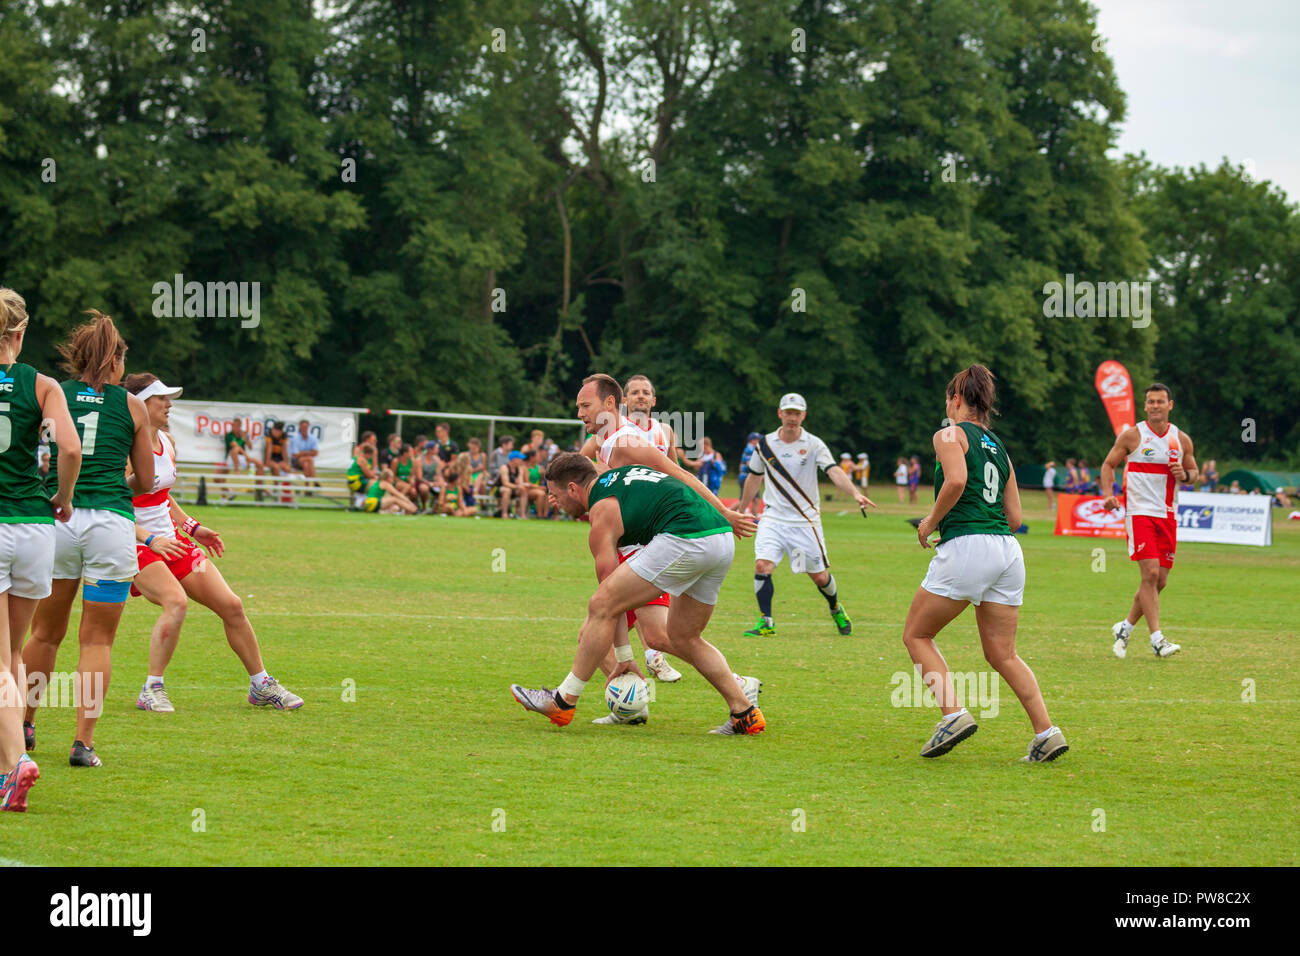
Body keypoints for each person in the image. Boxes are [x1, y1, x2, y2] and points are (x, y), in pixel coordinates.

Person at [511, 453, 765, 735]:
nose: (550, 501)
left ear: (573, 488)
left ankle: (563, 700)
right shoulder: (620, 477)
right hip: (720, 537)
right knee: (684, 637)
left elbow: (607, 600)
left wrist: (623, 657)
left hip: (686, 537)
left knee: (600, 605)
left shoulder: (601, 511)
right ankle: (744, 712)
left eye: (553, 493)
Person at [905, 364, 1066, 762]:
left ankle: (953, 714)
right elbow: (1014, 518)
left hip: (970, 550)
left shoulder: (948, 434)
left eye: (948, 399)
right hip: (1007, 552)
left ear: (956, 400)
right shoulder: (999, 446)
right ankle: (1047, 733)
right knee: (1003, 653)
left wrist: (931, 521)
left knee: (916, 636)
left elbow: (956, 481)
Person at [124, 372, 305, 713]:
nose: (169, 404)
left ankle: (261, 685)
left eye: (168, 398)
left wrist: (193, 528)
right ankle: (152, 688)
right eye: (160, 398)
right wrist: (150, 539)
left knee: (232, 606)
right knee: (176, 603)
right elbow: (114, 505)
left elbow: (162, 498)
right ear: (139, 404)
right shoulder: (123, 448)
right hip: (133, 540)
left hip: (170, 540)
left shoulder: (167, 441)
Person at [23, 311, 155, 770]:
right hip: (110, 527)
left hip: (59, 519)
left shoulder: (53, 395)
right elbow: (147, 481)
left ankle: (23, 725)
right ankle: (82, 744)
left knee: (44, 631)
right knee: (96, 641)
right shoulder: (133, 406)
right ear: (117, 362)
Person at [575, 374, 752, 698]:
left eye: (585, 405)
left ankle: (599, 697)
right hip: (646, 536)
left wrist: (724, 511)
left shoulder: (645, 436)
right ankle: (634, 693)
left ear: (612, 404)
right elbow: (580, 463)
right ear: (625, 399)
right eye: (636, 392)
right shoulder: (605, 440)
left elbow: (679, 475)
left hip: (663, 538)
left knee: (611, 624)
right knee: (623, 629)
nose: (579, 413)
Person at [0, 288, 80, 811]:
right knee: (11, 654)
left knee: (1, 660)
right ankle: (9, 764)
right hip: (34, 527)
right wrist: (64, 499)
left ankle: (13, 765)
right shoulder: (43, 384)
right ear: (21, 333)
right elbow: (69, 448)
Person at [737, 393, 875, 638]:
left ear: (804, 416)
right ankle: (766, 622)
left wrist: (855, 493)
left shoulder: (813, 444)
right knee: (762, 564)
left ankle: (835, 608)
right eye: (788, 412)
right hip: (773, 518)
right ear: (780, 414)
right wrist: (741, 508)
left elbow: (832, 470)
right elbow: (754, 477)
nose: (792, 417)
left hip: (804, 522)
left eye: (797, 413)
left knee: (819, 577)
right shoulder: (765, 444)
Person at [1100, 383, 1198, 660]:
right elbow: (1108, 465)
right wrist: (1108, 494)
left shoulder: (1181, 440)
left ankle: (1125, 627)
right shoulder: (1132, 436)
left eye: (1160, 401)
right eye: (1150, 402)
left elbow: (1194, 472)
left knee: (1160, 581)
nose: (1155, 405)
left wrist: (1185, 476)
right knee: (1150, 574)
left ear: (1170, 405)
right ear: (1145, 406)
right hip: (1139, 512)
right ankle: (1157, 640)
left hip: (1167, 514)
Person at [346, 431, 379, 507]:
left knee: (374, 482)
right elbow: (365, 471)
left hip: (360, 477)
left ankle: (364, 503)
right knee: (376, 484)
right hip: (357, 479)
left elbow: (374, 466)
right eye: (374, 440)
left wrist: (373, 473)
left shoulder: (373, 450)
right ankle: (367, 504)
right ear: (367, 440)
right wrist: (374, 476)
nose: (376, 442)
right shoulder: (360, 455)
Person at [738, 432, 762, 513]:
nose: (759, 441)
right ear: (753, 440)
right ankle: (728, 513)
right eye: (758, 440)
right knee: (745, 500)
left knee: (755, 499)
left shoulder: (749, 448)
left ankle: (754, 519)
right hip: (748, 477)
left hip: (746, 477)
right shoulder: (751, 449)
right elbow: (750, 463)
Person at [289, 419, 319, 483]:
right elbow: (295, 455)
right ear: (300, 427)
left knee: (306, 464)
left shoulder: (313, 438)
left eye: (306, 427)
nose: (304, 428)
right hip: (296, 461)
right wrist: (309, 453)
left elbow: (316, 453)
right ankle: (314, 480)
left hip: (305, 462)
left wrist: (303, 453)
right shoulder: (295, 438)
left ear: (308, 427)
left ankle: (307, 488)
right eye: (303, 427)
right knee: (310, 459)